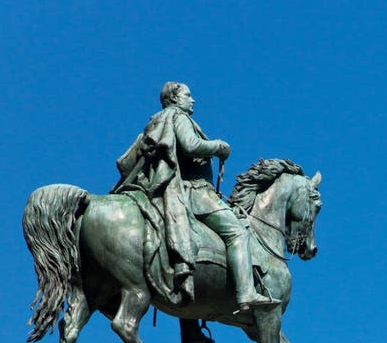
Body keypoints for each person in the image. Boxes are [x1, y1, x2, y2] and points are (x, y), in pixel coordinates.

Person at [114, 82, 278, 319]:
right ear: (174, 99)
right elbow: (191, 146)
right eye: (188, 95)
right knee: (237, 232)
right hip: (195, 194)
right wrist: (218, 147)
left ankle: (191, 326)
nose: (193, 100)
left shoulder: (157, 122)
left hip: (179, 192)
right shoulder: (177, 117)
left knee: (189, 253)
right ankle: (246, 293)